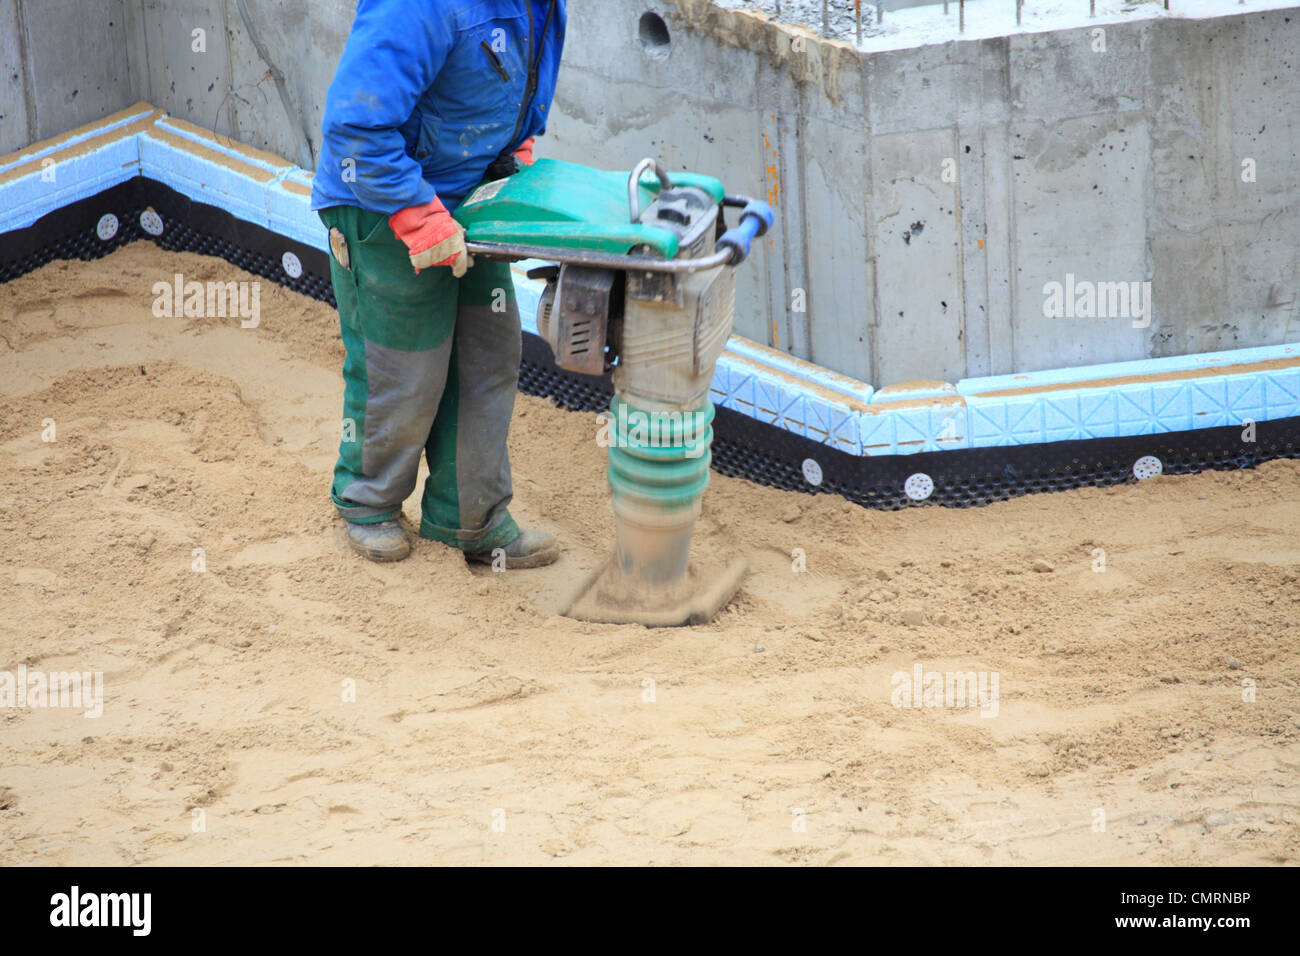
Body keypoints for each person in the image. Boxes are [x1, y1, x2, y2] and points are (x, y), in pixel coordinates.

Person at [311, 0, 566, 568]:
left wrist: (514, 154)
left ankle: (469, 517)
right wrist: (422, 218)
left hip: (468, 196)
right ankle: (369, 502)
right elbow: (355, 129)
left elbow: (518, 84)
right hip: (380, 202)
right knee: (405, 368)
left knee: (487, 355)